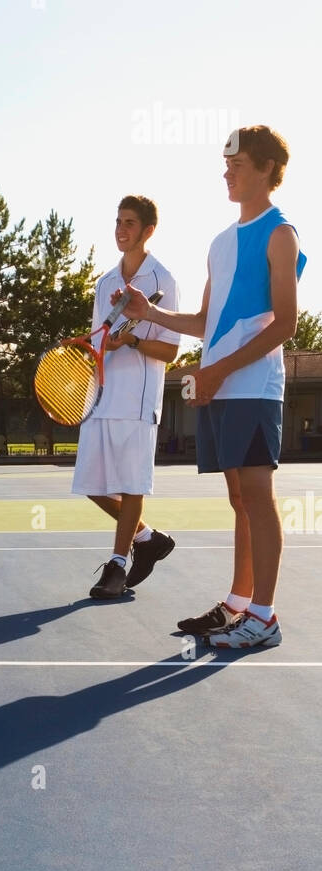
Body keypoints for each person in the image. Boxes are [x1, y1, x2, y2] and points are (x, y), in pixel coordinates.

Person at [119, 126, 306, 648]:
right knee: (239, 500)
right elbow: (208, 320)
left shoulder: (280, 232)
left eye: (239, 164)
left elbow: (286, 323)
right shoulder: (220, 243)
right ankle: (238, 604)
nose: (228, 172)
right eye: (227, 165)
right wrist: (149, 312)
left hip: (253, 386)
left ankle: (264, 618)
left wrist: (219, 371)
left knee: (257, 496)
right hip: (220, 386)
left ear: (267, 168)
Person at [72, 196, 180, 599]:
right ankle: (148, 538)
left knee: (131, 485)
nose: (121, 228)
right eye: (118, 220)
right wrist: (92, 348)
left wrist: (131, 340)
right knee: (92, 484)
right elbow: (100, 341)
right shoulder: (104, 283)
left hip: (137, 402)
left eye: (130, 222)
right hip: (100, 397)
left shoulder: (163, 281)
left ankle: (116, 567)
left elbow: (170, 351)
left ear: (148, 230)